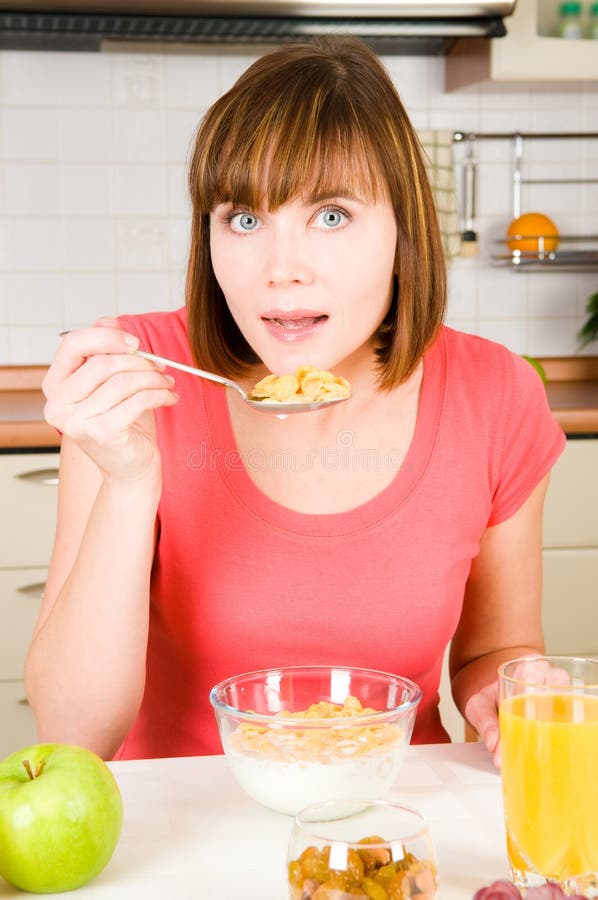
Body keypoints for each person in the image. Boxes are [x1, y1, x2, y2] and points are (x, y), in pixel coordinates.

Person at [27, 36, 565, 764]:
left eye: (332, 216)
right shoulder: (135, 382)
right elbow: (71, 735)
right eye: (244, 220)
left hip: (394, 814)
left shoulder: (496, 393)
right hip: (182, 836)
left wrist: (502, 692)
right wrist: (129, 483)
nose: (281, 271)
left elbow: (496, 647)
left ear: (403, 227)